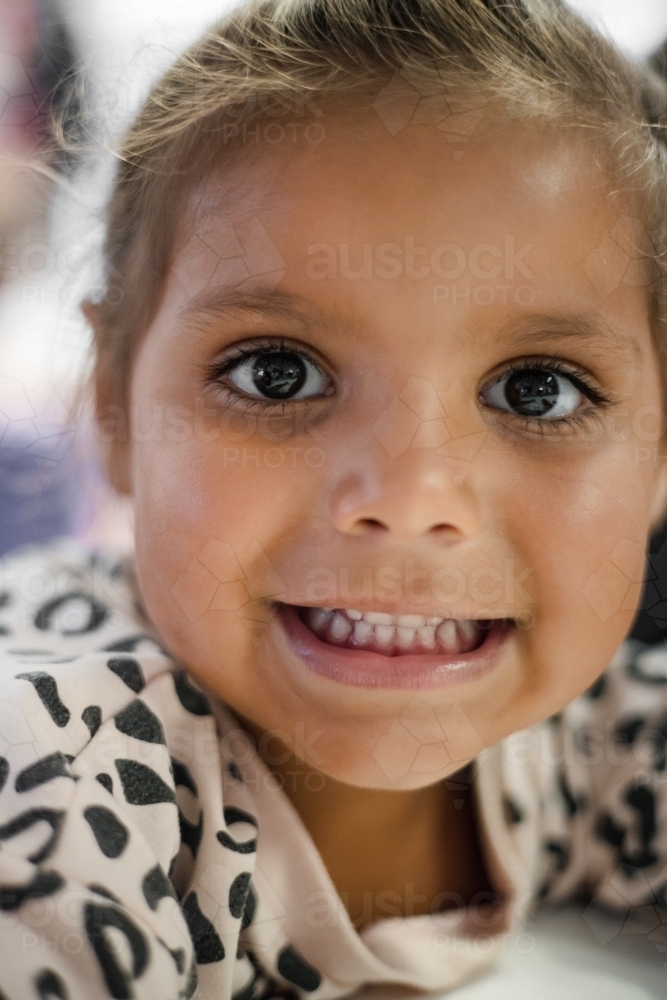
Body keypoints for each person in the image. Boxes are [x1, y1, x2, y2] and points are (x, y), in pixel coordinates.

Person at [1, 0, 667, 996]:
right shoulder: (51, 757)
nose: (408, 497)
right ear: (114, 405)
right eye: (277, 374)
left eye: (538, 390)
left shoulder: (572, 729)